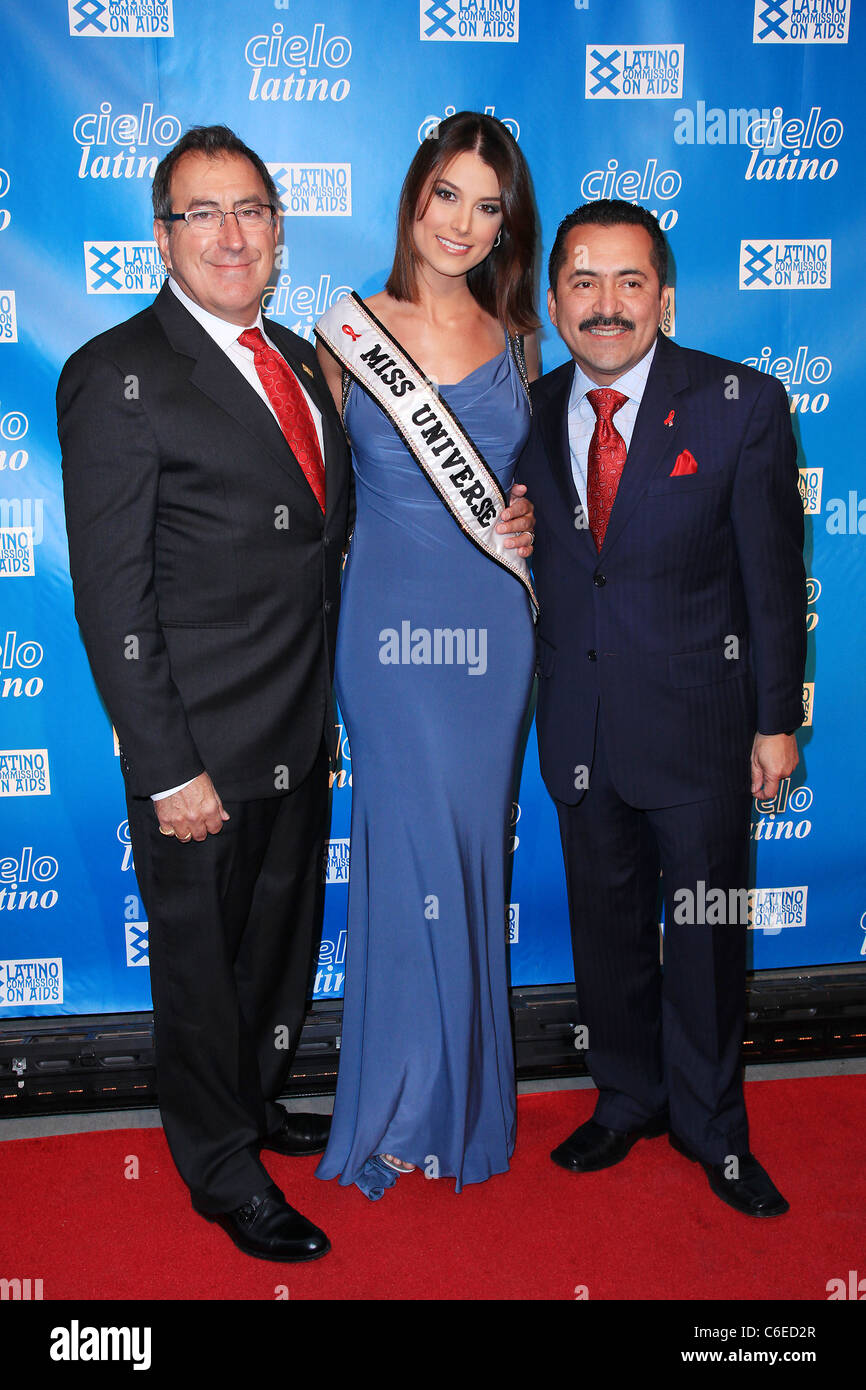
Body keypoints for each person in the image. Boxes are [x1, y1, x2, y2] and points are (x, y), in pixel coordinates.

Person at [57, 125, 353, 1263]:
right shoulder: (117, 372)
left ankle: (254, 1104)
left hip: (295, 724)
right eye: (201, 213)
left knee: (274, 954)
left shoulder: (297, 360)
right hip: (197, 748)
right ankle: (220, 1172)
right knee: (200, 968)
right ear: (162, 237)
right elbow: (113, 594)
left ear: (280, 231)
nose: (231, 234)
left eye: (251, 210)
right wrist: (167, 762)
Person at [518, 199, 806, 1217]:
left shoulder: (741, 403)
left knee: (704, 937)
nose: (605, 305)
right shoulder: (527, 410)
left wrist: (774, 724)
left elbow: (772, 582)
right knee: (604, 936)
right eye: (582, 283)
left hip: (699, 734)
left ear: (664, 297)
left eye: (627, 282)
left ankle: (710, 1128)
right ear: (552, 300)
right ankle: (625, 1100)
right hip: (582, 731)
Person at [313, 111, 539, 1197]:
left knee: (468, 854)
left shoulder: (519, 340)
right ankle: (402, 1092)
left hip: (491, 632)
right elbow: (321, 492)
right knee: (404, 847)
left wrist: (528, 515)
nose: (461, 221)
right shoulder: (346, 328)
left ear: (504, 228)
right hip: (388, 628)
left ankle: (457, 1096)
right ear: (413, 197)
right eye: (446, 194)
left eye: (485, 205)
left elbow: (529, 485)